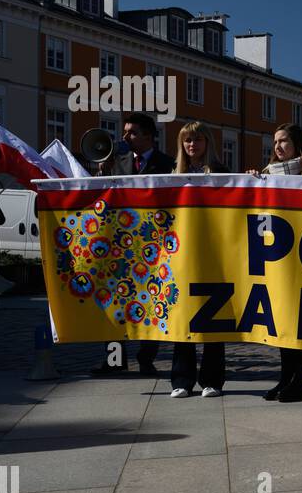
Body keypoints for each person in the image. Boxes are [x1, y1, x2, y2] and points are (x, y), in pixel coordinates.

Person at [92, 112, 175, 377]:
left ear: (149, 135)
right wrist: (101, 172)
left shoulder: (168, 164)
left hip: (153, 244)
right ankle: (114, 360)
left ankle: (146, 359)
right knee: (114, 303)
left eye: (132, 132)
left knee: (152, 301)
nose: (125, 137)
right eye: (125, 131)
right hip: (120, 244)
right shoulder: (117, 161)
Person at [249, 123, 302, 402]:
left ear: (297, 145)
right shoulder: (267, 174)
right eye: (275, 142)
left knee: (301, 322)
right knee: (281, 320)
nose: (278, 147)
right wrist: (252, 181)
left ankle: (299, 381)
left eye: (283, 142)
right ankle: (284, 379)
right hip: (277, 257)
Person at [169, 122, 228, 398]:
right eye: (188, 140)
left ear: (208, 143)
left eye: (198, 140)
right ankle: (182, 379)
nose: (193, 145)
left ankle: (212, 380)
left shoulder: (223, 174)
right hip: (181, 255)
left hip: (215, 255)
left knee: (214, 318)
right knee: (182, 317)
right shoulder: (171, 175)